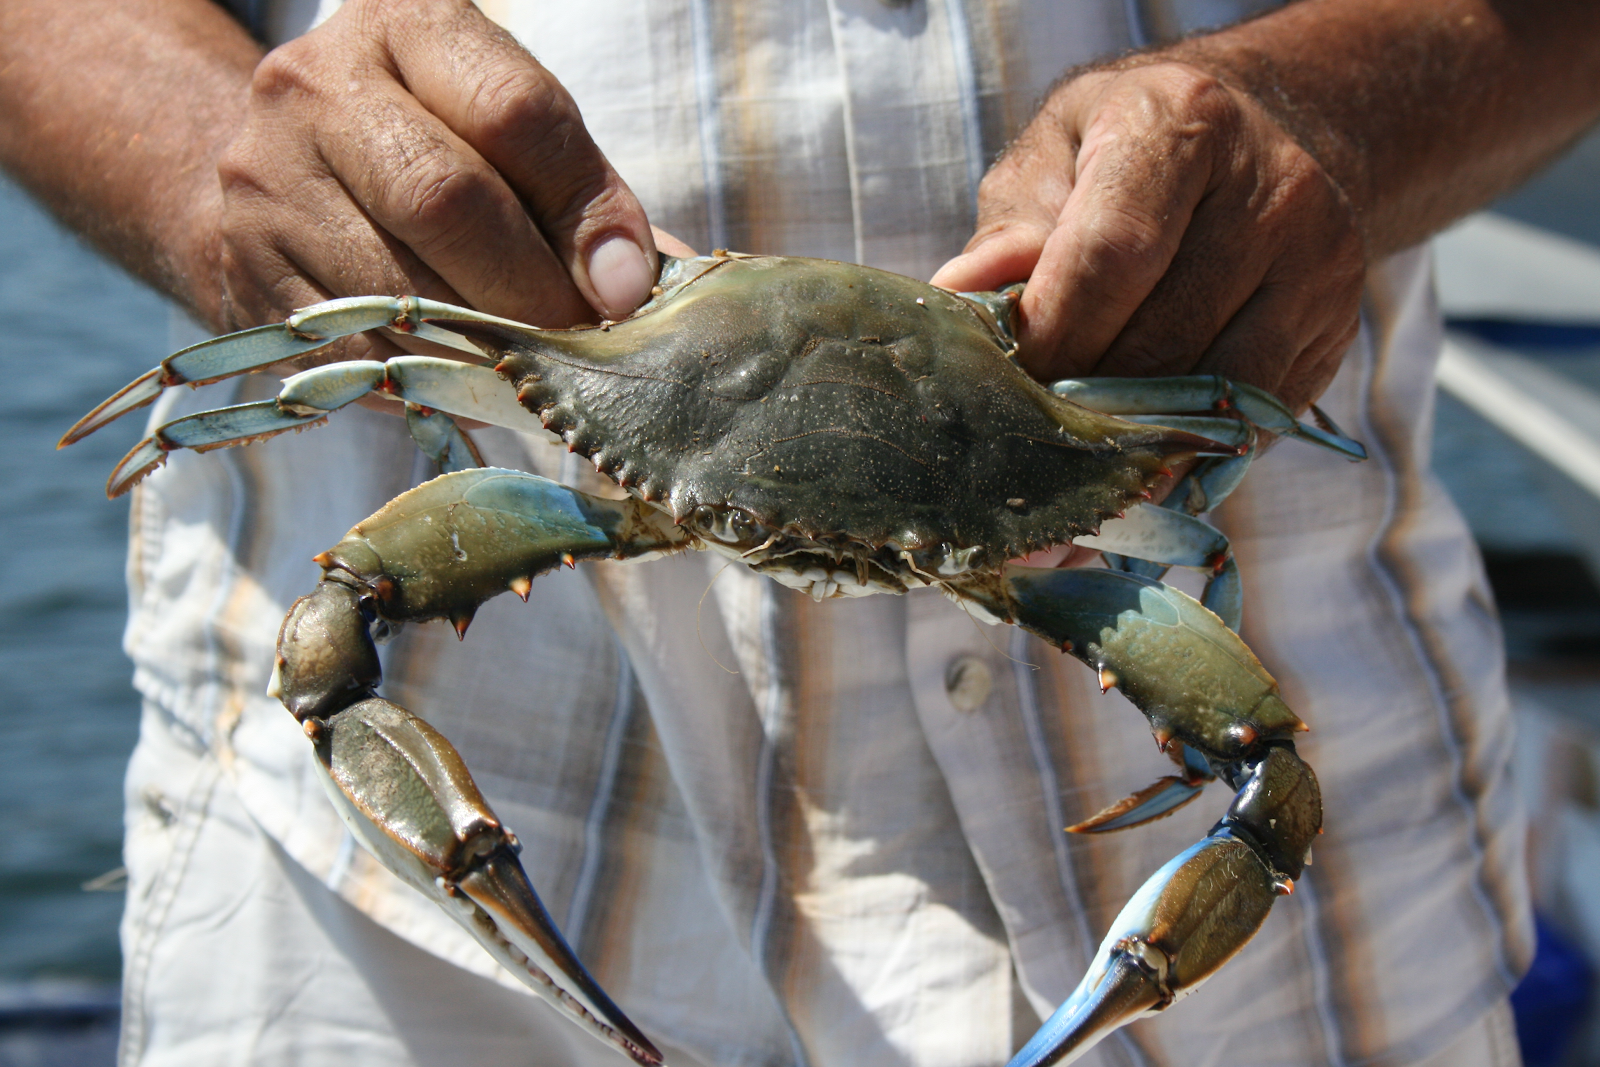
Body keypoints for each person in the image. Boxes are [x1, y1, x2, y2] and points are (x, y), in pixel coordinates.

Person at [2, 0, 1595, 1063]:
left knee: (1264, 776)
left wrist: (1348, 114)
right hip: (381, 946)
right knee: (343, 625)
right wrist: (217, 182)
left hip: (1317, 942)